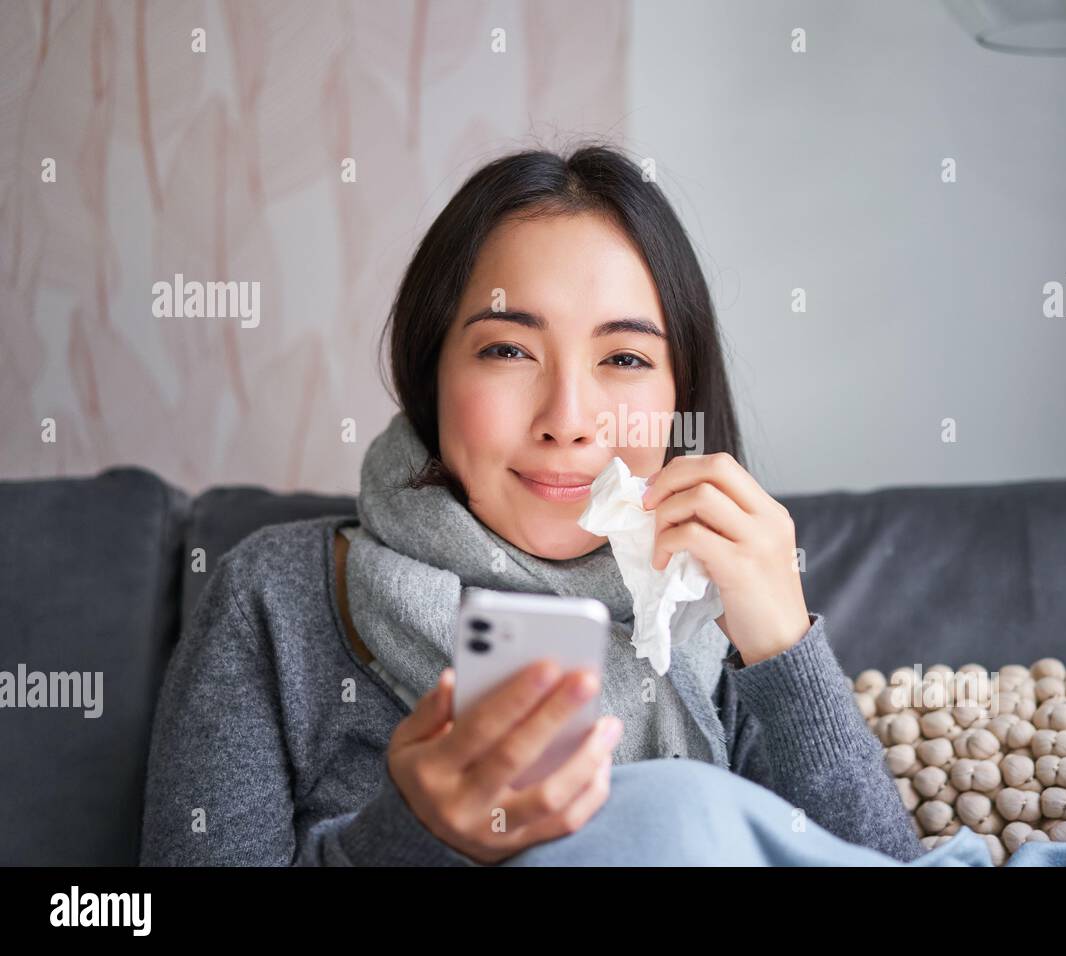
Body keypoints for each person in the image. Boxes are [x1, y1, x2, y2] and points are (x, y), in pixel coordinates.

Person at [137, 143, 946, 866]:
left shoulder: (718, 615)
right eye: (509, 350)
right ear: (433, 374)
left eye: (624, 357)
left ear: (680, 398)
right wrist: (416, 836)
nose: (567, 419)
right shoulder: (274, 598)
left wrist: (783, 648)